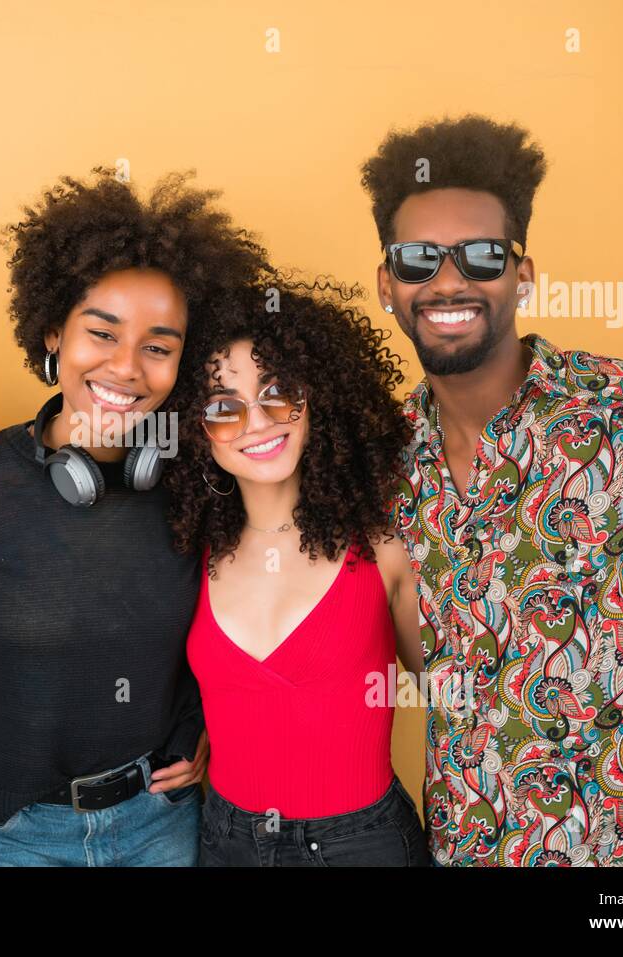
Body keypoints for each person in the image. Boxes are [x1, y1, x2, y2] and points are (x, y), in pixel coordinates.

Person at [360, 114, 623, 865]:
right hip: (472, 848)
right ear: (387, 284)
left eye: (481, 255)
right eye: (418, 259)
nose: (448, 280)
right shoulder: (377, 463)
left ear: (523, 273)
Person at [0, 168, 274, 865]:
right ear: (53, 331)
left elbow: (242, 631)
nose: (125, 367)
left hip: (159, 822)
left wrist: (207, 726)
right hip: (9, 831)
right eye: (102, 333)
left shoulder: (204, 481)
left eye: (158, 346)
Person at [164, 280, 429, 866]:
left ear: (318, 398)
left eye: (277, 392)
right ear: (195, 431)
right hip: (224, 841)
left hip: (364, 847)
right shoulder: (188, 554)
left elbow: (453, 688)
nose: (256, 421)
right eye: (223, 407)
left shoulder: (384, 547)